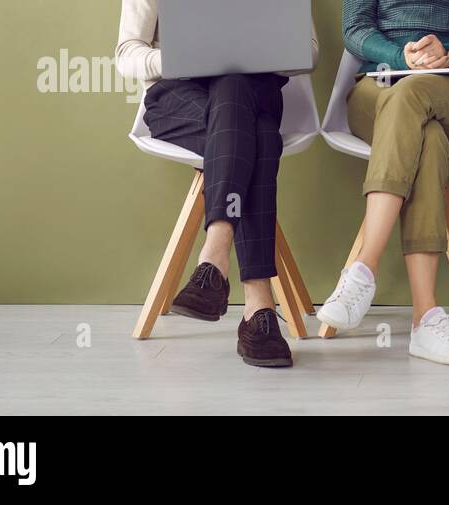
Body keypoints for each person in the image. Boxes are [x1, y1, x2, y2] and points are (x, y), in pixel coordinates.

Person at [116, 0, 319, 368]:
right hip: (177, 97)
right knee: (257, 139)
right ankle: (259, 309)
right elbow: (126, 53)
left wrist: (248, 54)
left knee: (235, 86)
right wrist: (186, 58)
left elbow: (309, 51)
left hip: (255, 90)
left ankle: (214, 258)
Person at [317, 0, 449, 366]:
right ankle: (425, 319)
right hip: (379, 86)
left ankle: (362, 271)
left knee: (411, 94)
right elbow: (355, 28)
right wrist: (398, 55)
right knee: (429, 138)